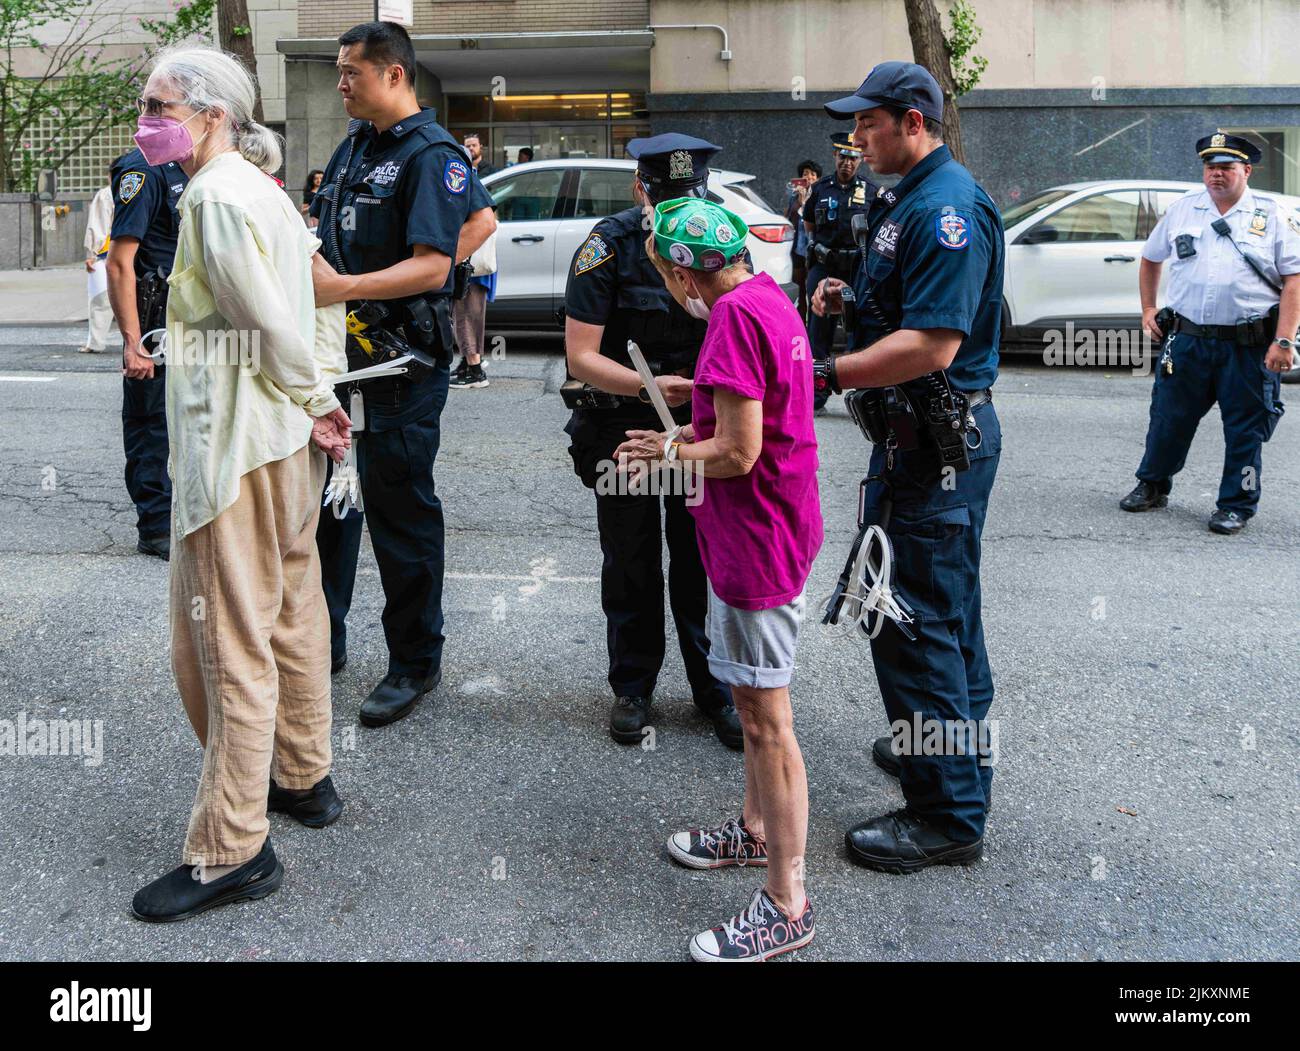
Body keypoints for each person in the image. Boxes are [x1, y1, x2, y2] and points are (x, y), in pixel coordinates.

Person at [128, 46, 353, 923]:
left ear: (211, 113)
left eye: (159, 104)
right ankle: (302, 776)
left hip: (236, 452)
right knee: (294, 609)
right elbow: (319, 298)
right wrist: (320, 404)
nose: (148, 120)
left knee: (224, 642)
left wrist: (316, 396)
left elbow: (262, 320)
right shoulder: (262, 188)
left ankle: (232, 847)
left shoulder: (217, 197)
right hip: (281, 443)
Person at [616, 197, 822, 961]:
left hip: (756, 538)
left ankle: (787, 901)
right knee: (750, 700)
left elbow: (737, 452)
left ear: (678, 272)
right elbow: (751, 411)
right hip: (778, 523)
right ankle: (756, 829)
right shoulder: (767, 297)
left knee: (768, 722)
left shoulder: (731, 319)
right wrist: (691, 405)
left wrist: (669, 452)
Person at [812, 61, 1004, 872]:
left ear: (914, 121)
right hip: (915, 439)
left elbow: (932, 344)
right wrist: (846, 300)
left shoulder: (947, 207)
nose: (856, 138)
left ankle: (946, 814)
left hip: (935, 444)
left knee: (915, 619)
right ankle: (951, 749)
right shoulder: (909, 196)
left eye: (870, 123)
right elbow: (905, 304)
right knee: (944, 607)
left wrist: (822, 373)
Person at [311, 21, 497, 726]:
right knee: (333, 503)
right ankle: (324, 636)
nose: (340, 83)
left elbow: (442, 250)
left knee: (400, 512)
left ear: (393, 73)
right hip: (341, 362)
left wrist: (352, 289)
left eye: (350, 71)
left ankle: (414, 660)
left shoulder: (433, 152)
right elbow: (481, 218)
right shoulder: (357, 142)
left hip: (400, 364)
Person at [563, 133, 743, 750]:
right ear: (642, 189)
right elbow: (581, 356)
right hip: (624, 428)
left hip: (701, 427)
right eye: (664, 195)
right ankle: (633, 686)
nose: (676, 209)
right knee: (632, 559)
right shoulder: (608, 246)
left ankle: (714, 688)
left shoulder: (721, 237)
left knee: (700, 560)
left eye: (689, 196)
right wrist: (647, 390)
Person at [1119, 133, 1297, 535]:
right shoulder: (1184, 210)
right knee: (1168, 419)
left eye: (1227, 167)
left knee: (1247, 431)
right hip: (1188, 340)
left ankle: (1237, 504)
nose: (1217, 174)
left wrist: (1284, 340)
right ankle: (1152, 485)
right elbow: (1150, 258)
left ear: (1246, 171)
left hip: (1249, 346)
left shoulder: (1271, 214)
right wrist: (1148, 308)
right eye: (1210, 167)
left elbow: (1294, 279)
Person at [105, 109, 190, 560]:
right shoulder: (143, 168)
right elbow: (120, 262)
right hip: (151, 317)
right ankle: (155, 526)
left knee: (184, 421)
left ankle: (180, 517)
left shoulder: (182, 165)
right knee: (151, 425)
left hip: (183, 315)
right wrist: (132, 342)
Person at [803, 132, 876, 410]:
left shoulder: (870, 190)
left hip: (857, 269)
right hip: (824, 266)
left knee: (859, 329)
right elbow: (809, 226)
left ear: (860, 161)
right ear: (835, 156)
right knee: (819, 330)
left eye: (853, 158)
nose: (848, 163)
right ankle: (817, 395)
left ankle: (863, 392)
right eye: (843, 157)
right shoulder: (820, 189)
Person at [450, 223, 497, 389]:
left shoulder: (473, 202)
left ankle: (475, 372)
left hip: (469, 271)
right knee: (469, 318)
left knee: (465, 320)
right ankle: (467, 364)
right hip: (475, 271)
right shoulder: (482, 203)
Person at [80, 169, 116, 354]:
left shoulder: (106, 194)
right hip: (139, 251)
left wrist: (91, 254)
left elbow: (98, 225)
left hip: (106, 252)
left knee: (100, 301)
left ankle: (95, 343)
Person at [785, 159, 820, 322]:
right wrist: (800, 200)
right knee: (799, 287)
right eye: (806, 174)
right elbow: (789, 218)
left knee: (813, 287)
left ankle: (813, 321)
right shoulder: (794, 196)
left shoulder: (821, 196)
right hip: (797, 249)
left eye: (813, 174)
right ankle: (800, 321)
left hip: (814, 249)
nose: (809, 177)